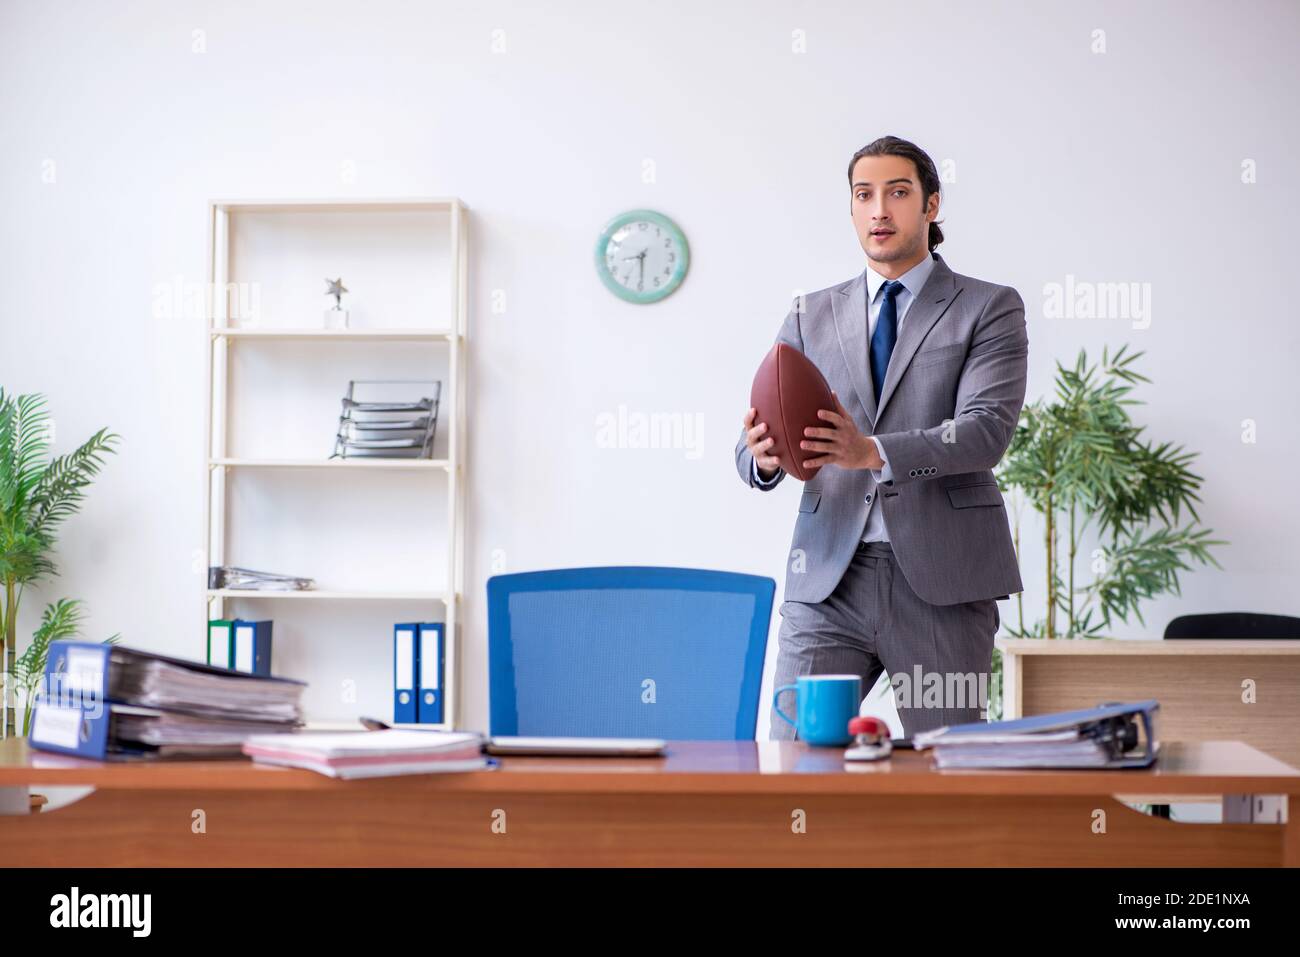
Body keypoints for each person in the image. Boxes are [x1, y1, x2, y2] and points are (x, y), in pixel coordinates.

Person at [736, 135, 1027, 738]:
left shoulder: (989, 307)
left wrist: (872, 451)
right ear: (850, 210)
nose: (879, 210)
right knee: (796, 761)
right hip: (826, 584)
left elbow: (985, 432)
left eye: (898, 192)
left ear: (931, 205)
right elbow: (755, 439)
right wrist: (762, 457)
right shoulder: (807, 313)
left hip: (943, 584)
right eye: (864, 195)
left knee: (944, 766)